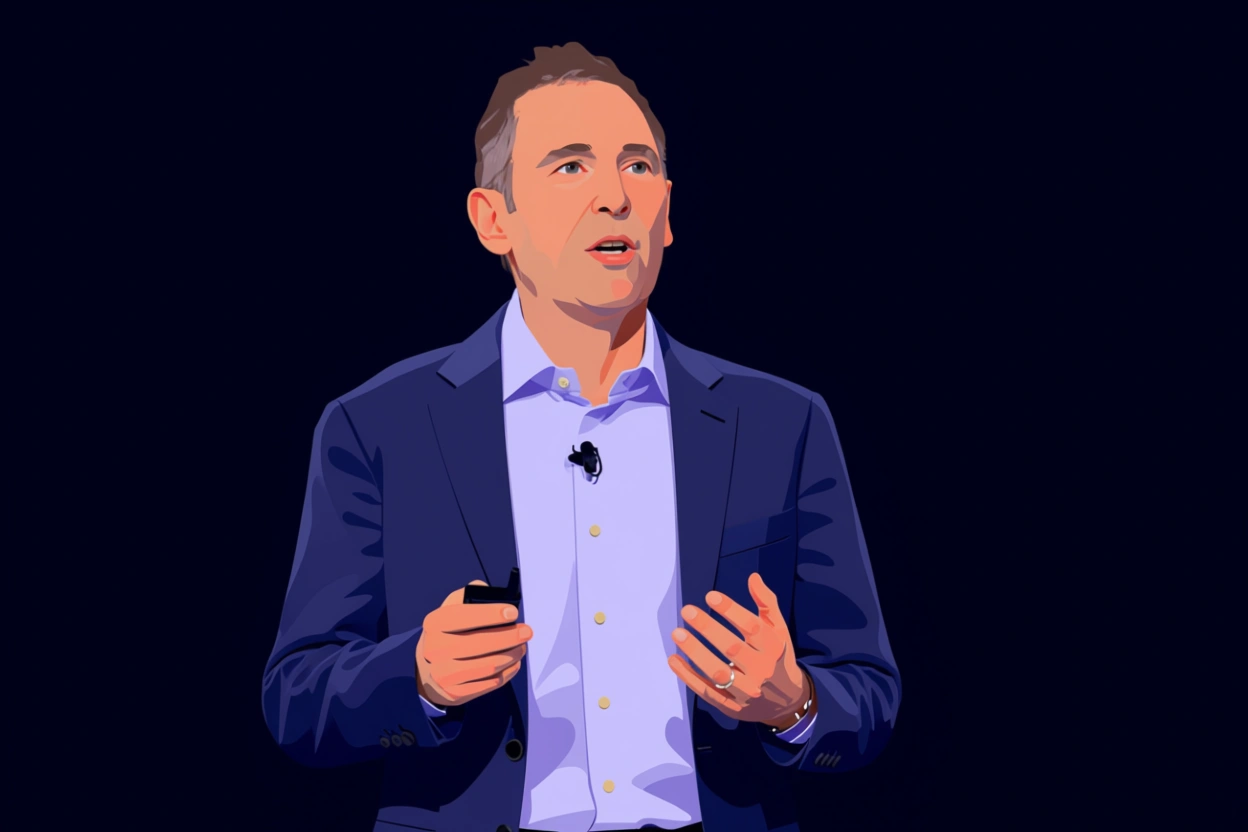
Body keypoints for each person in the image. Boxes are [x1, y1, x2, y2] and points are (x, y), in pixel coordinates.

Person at [262, 42, 901, 832]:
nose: (616, 197)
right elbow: (296, 700)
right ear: (493, 220)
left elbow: (870, 696)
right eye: (570, 166)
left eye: (638, 166)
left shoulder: (782, 424)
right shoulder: (378, 426)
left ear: (668, 212)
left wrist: (794, 703)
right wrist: (418, 676)